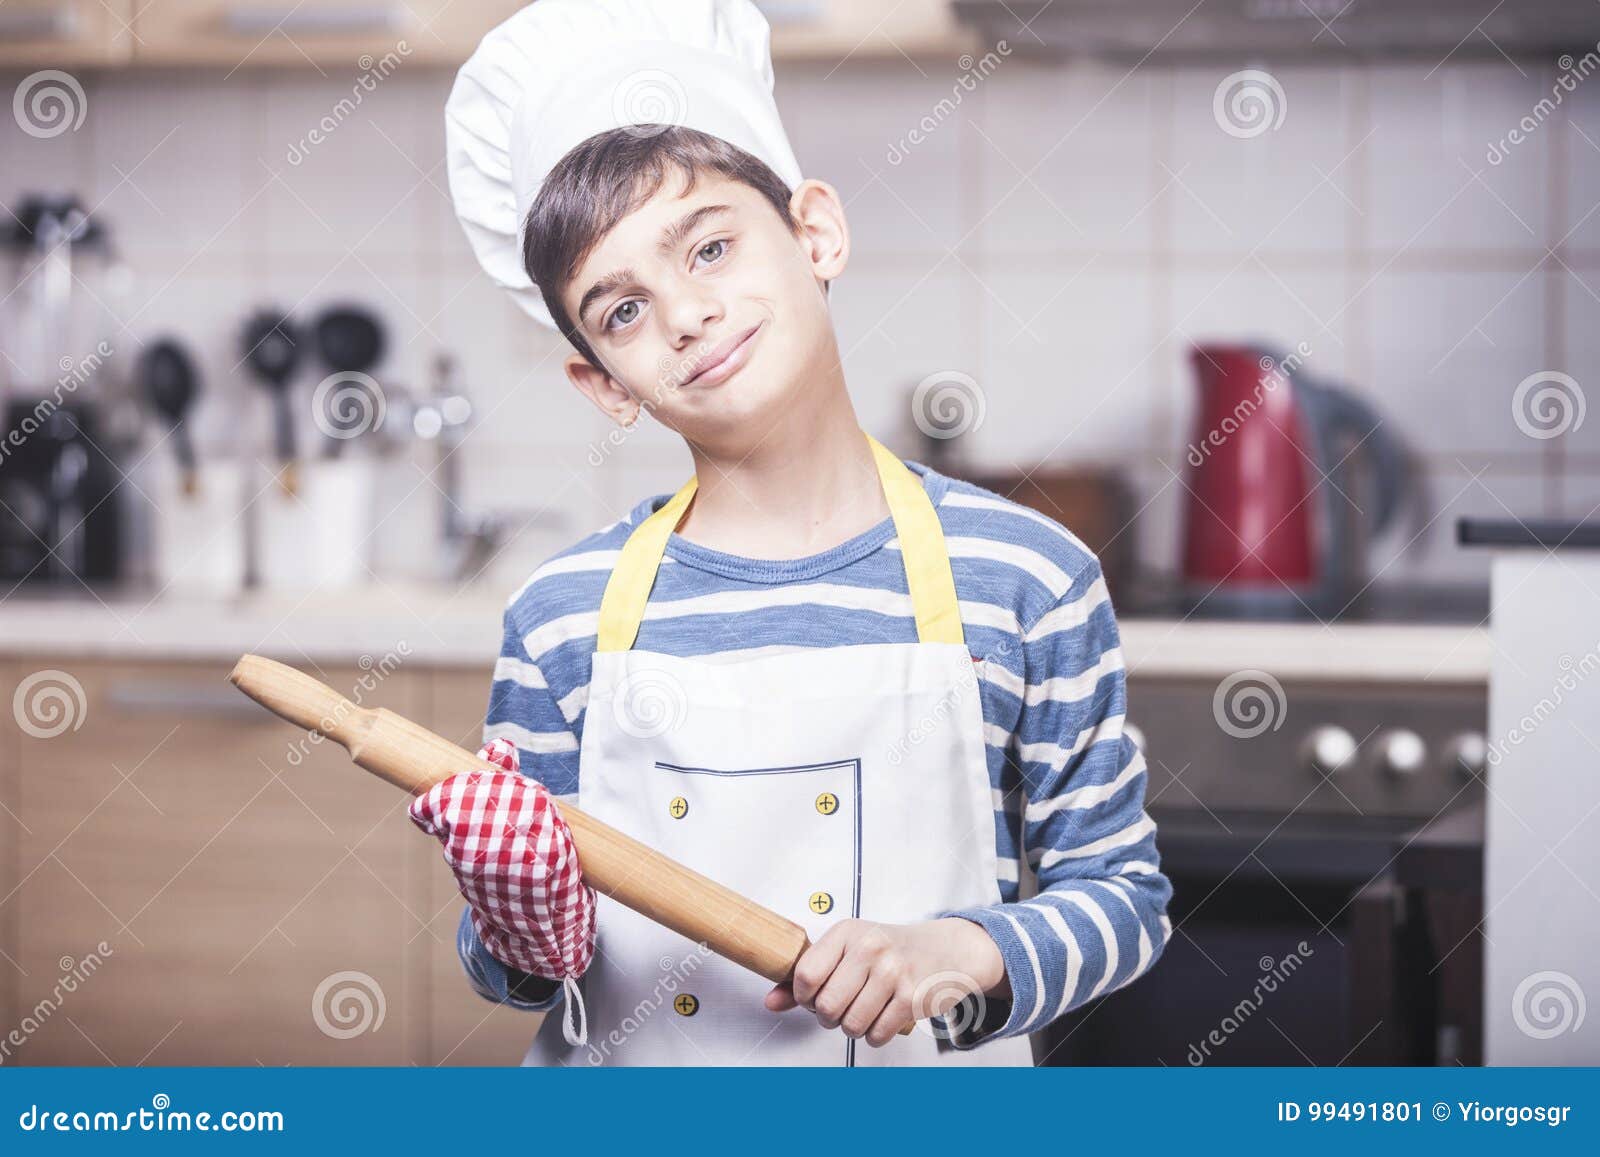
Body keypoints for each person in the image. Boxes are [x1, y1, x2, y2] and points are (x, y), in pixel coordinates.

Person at [409, 0, 1172, 1067]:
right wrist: (516, 922)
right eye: (620, 309)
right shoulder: (563, 616)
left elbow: (1124, 902)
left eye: (710, 246)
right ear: (601, 382)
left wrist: (965, 947)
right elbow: (514, 974)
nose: (684, 314)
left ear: (816, 232)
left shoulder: (1023, 578)